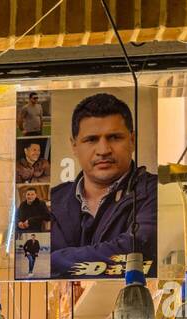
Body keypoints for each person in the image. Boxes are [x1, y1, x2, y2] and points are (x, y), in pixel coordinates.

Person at [49, 92, 158, 278]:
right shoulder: (52, 202)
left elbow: (136, 250)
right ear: (74, 145)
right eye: (91, 139)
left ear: (132, 140)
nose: (103, 150)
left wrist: (57, 260)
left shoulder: (155, 192)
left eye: (114, 137)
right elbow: (35, 266)